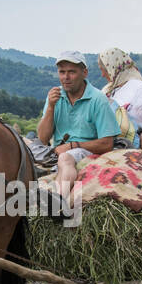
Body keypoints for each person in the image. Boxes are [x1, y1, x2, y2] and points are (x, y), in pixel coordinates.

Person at [37, 50, 119, 199]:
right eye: (62, 72)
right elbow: (42, 138)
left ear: (84, 73)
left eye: (71, 72)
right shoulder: (55, 98)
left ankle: (59, 200)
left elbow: (107, 143)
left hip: (86, 151)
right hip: (56, 152)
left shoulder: (97, 99)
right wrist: (50, 108)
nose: (66, 77)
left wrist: (72, 146)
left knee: (66, 158)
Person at [96, 47, 142, 150]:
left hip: (133, 131)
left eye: (104, 70)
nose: (102, 74)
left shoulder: (138, 87)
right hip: (108, 131)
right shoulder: (107, 90)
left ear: (113, 68)